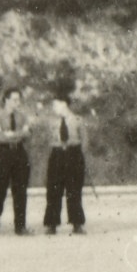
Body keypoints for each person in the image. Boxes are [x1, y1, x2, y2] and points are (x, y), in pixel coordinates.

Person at [0, 88, 33, 235]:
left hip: (19, 153)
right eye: (14, 99)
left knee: (20, 190)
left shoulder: (22, 116)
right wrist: (17, 134)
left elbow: (27, 134)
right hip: (3, 153)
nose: (17, 103)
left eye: (18, 100)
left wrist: (11, 134)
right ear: (6, 100)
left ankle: (20, 226)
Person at [44, 94, 89, 234]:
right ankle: (51, 224)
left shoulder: (77, 120)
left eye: (56, 105)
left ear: (64, 104)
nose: (54, 108)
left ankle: (77, 223)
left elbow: (85, 140)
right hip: (57, 155)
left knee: (74, 189)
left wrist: (80, 157)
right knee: (53, 189)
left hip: (73, 154)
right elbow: (47, 140)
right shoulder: (51, 122)